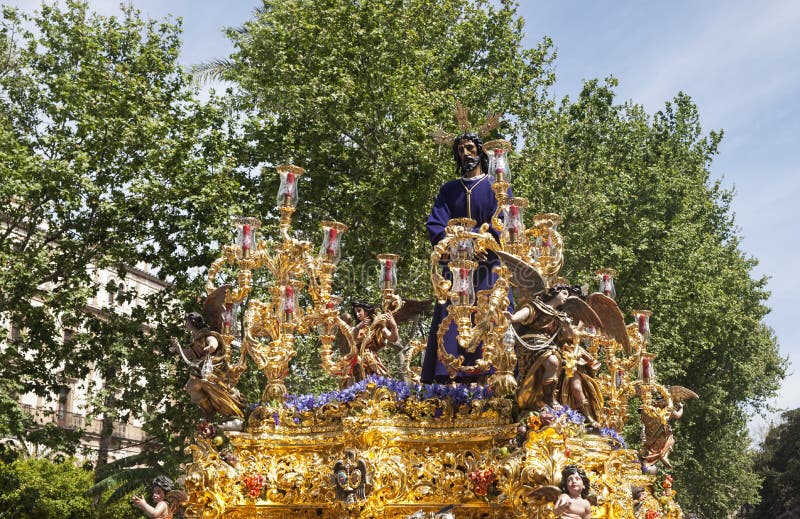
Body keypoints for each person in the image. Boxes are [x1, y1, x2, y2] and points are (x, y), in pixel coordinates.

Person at [421, 132, 509, 384]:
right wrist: (458, 244)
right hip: (457, 270)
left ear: (480, 151)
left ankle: (491, 380)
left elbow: (502, 221)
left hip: (488, 270)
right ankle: (450, 386)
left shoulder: (496, 186)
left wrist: (482, 241)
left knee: (492, 320)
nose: (465, 154)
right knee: (449, 326)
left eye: (470, 148)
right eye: (460, 150)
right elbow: (435, 225)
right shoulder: (449, 190)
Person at [508, 284, 603, 427]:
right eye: (564, 293)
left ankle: (549, 399)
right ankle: (549, 399)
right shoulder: (537, 305)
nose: (566, 297)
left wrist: (568, 326)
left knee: (556, 362)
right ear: (554, 292)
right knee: (553, 361)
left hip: (552, 347)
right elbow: (526, 313)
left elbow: (569, 336)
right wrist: (513, 317)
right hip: (531, 343)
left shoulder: (560, 316)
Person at [342, 300, 399, 386]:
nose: (357, 314)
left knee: (380, 380)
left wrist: (394, 326)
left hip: (371, 360)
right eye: (355, 312)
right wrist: (358, 327)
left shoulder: (378, 327)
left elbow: (393, 338)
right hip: (356, 361)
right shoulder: (356, 328)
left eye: (359, 311)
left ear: (367, 310)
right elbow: (351, 339)